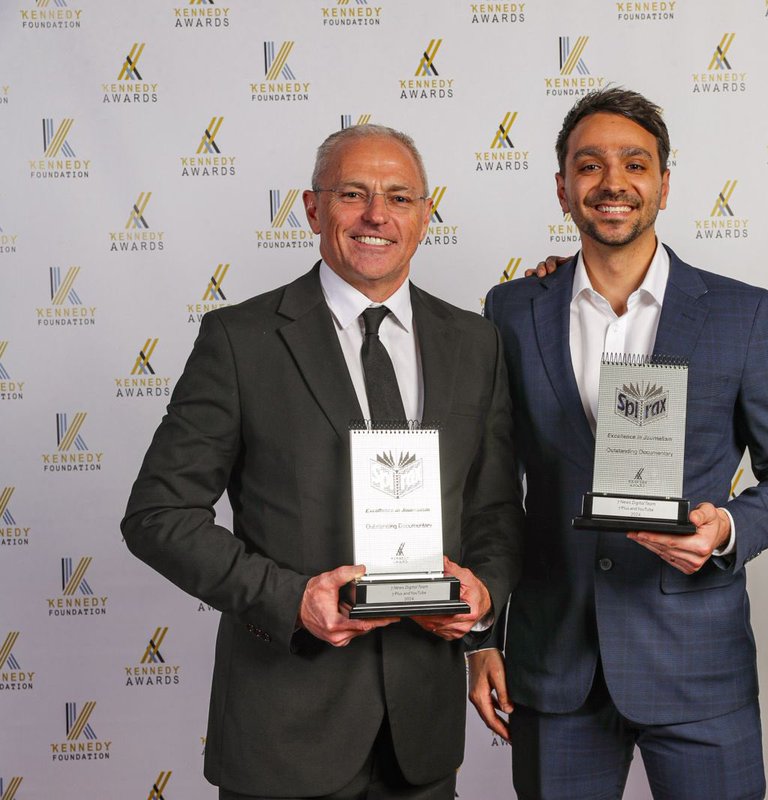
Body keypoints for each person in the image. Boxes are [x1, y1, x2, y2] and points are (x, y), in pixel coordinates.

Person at [122, 124, 522, 800]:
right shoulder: (240, 341)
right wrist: (289, 599)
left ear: (425, 215)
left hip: (420, 740)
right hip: (283, 730)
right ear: (312, 209)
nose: (377, 216)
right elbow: (158, 515)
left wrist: (482, 594)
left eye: (399, 197)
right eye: (353, 194)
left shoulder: (475, 343)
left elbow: (493, 510)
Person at [467, 88, 768, 800]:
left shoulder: (742, 315)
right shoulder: (511, 311)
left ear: (664, 185)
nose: (612, 183)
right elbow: (491, 489)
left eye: (635, 165)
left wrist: (728, 529)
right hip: (556, 664)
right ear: (563, 189)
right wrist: (481, 637)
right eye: (589, 166)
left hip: (697, 667)